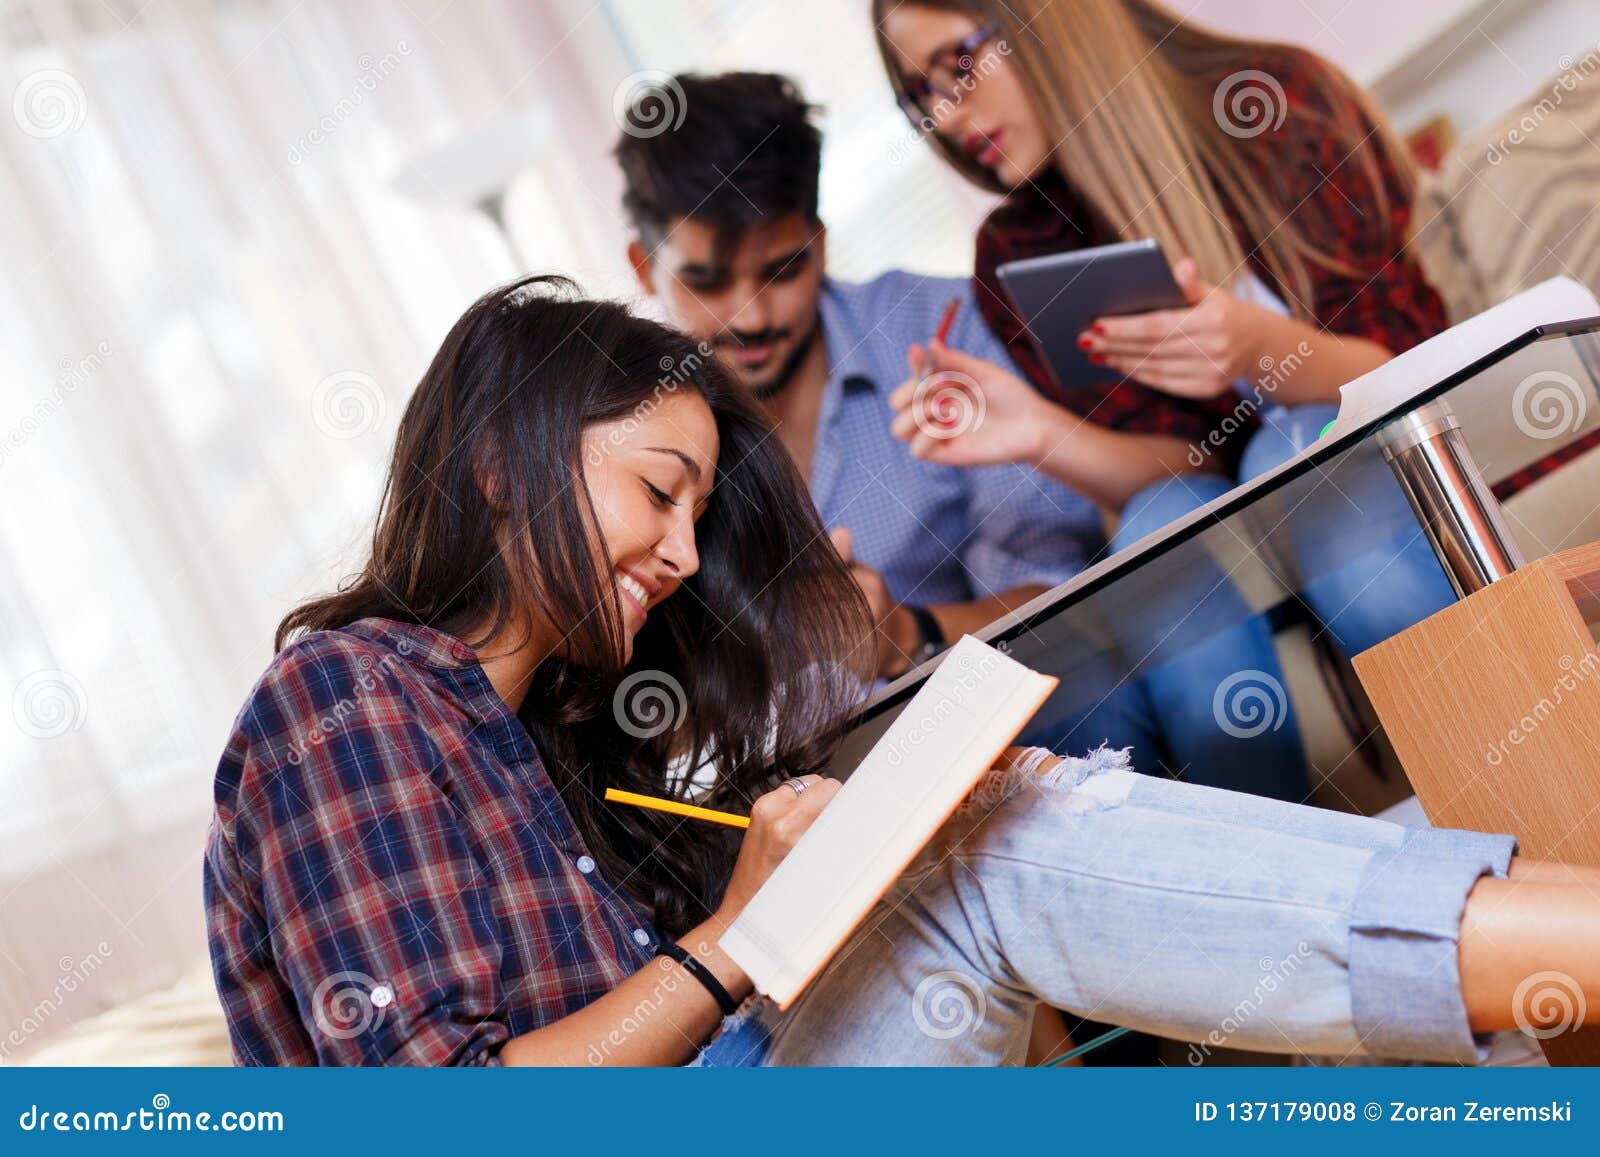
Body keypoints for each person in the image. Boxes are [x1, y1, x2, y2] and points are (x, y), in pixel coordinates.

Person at [204, 276, 1600, 1066]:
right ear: (504, 465)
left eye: (699, 513)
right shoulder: (347, 701)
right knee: (981, 860)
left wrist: (857, 839)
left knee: (994, 815)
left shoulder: (558, 739)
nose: (684, 553)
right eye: (659, 491)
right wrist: (738, 936)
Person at [873, 0, 1461, 796]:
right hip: (1232, 527)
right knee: (1153, 530)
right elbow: (1178, 466)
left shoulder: (1269, 98)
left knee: (1290, 446)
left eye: (961, 66)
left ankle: (1499, 774)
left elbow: (1421, 366)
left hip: (1393, 453)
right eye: (921, 96)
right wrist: (1036, 429)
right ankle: (1259, 861)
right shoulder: (1018, 247)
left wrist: (1260, 350)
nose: (947, 114)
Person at [613, 72, 1108, 685]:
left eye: (782, 271)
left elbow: (1066, 606)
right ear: (643, 268)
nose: (752, 316)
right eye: (707, 282)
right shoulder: (618, 431)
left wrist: (907, 635)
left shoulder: (943, 330)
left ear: (819, 244)